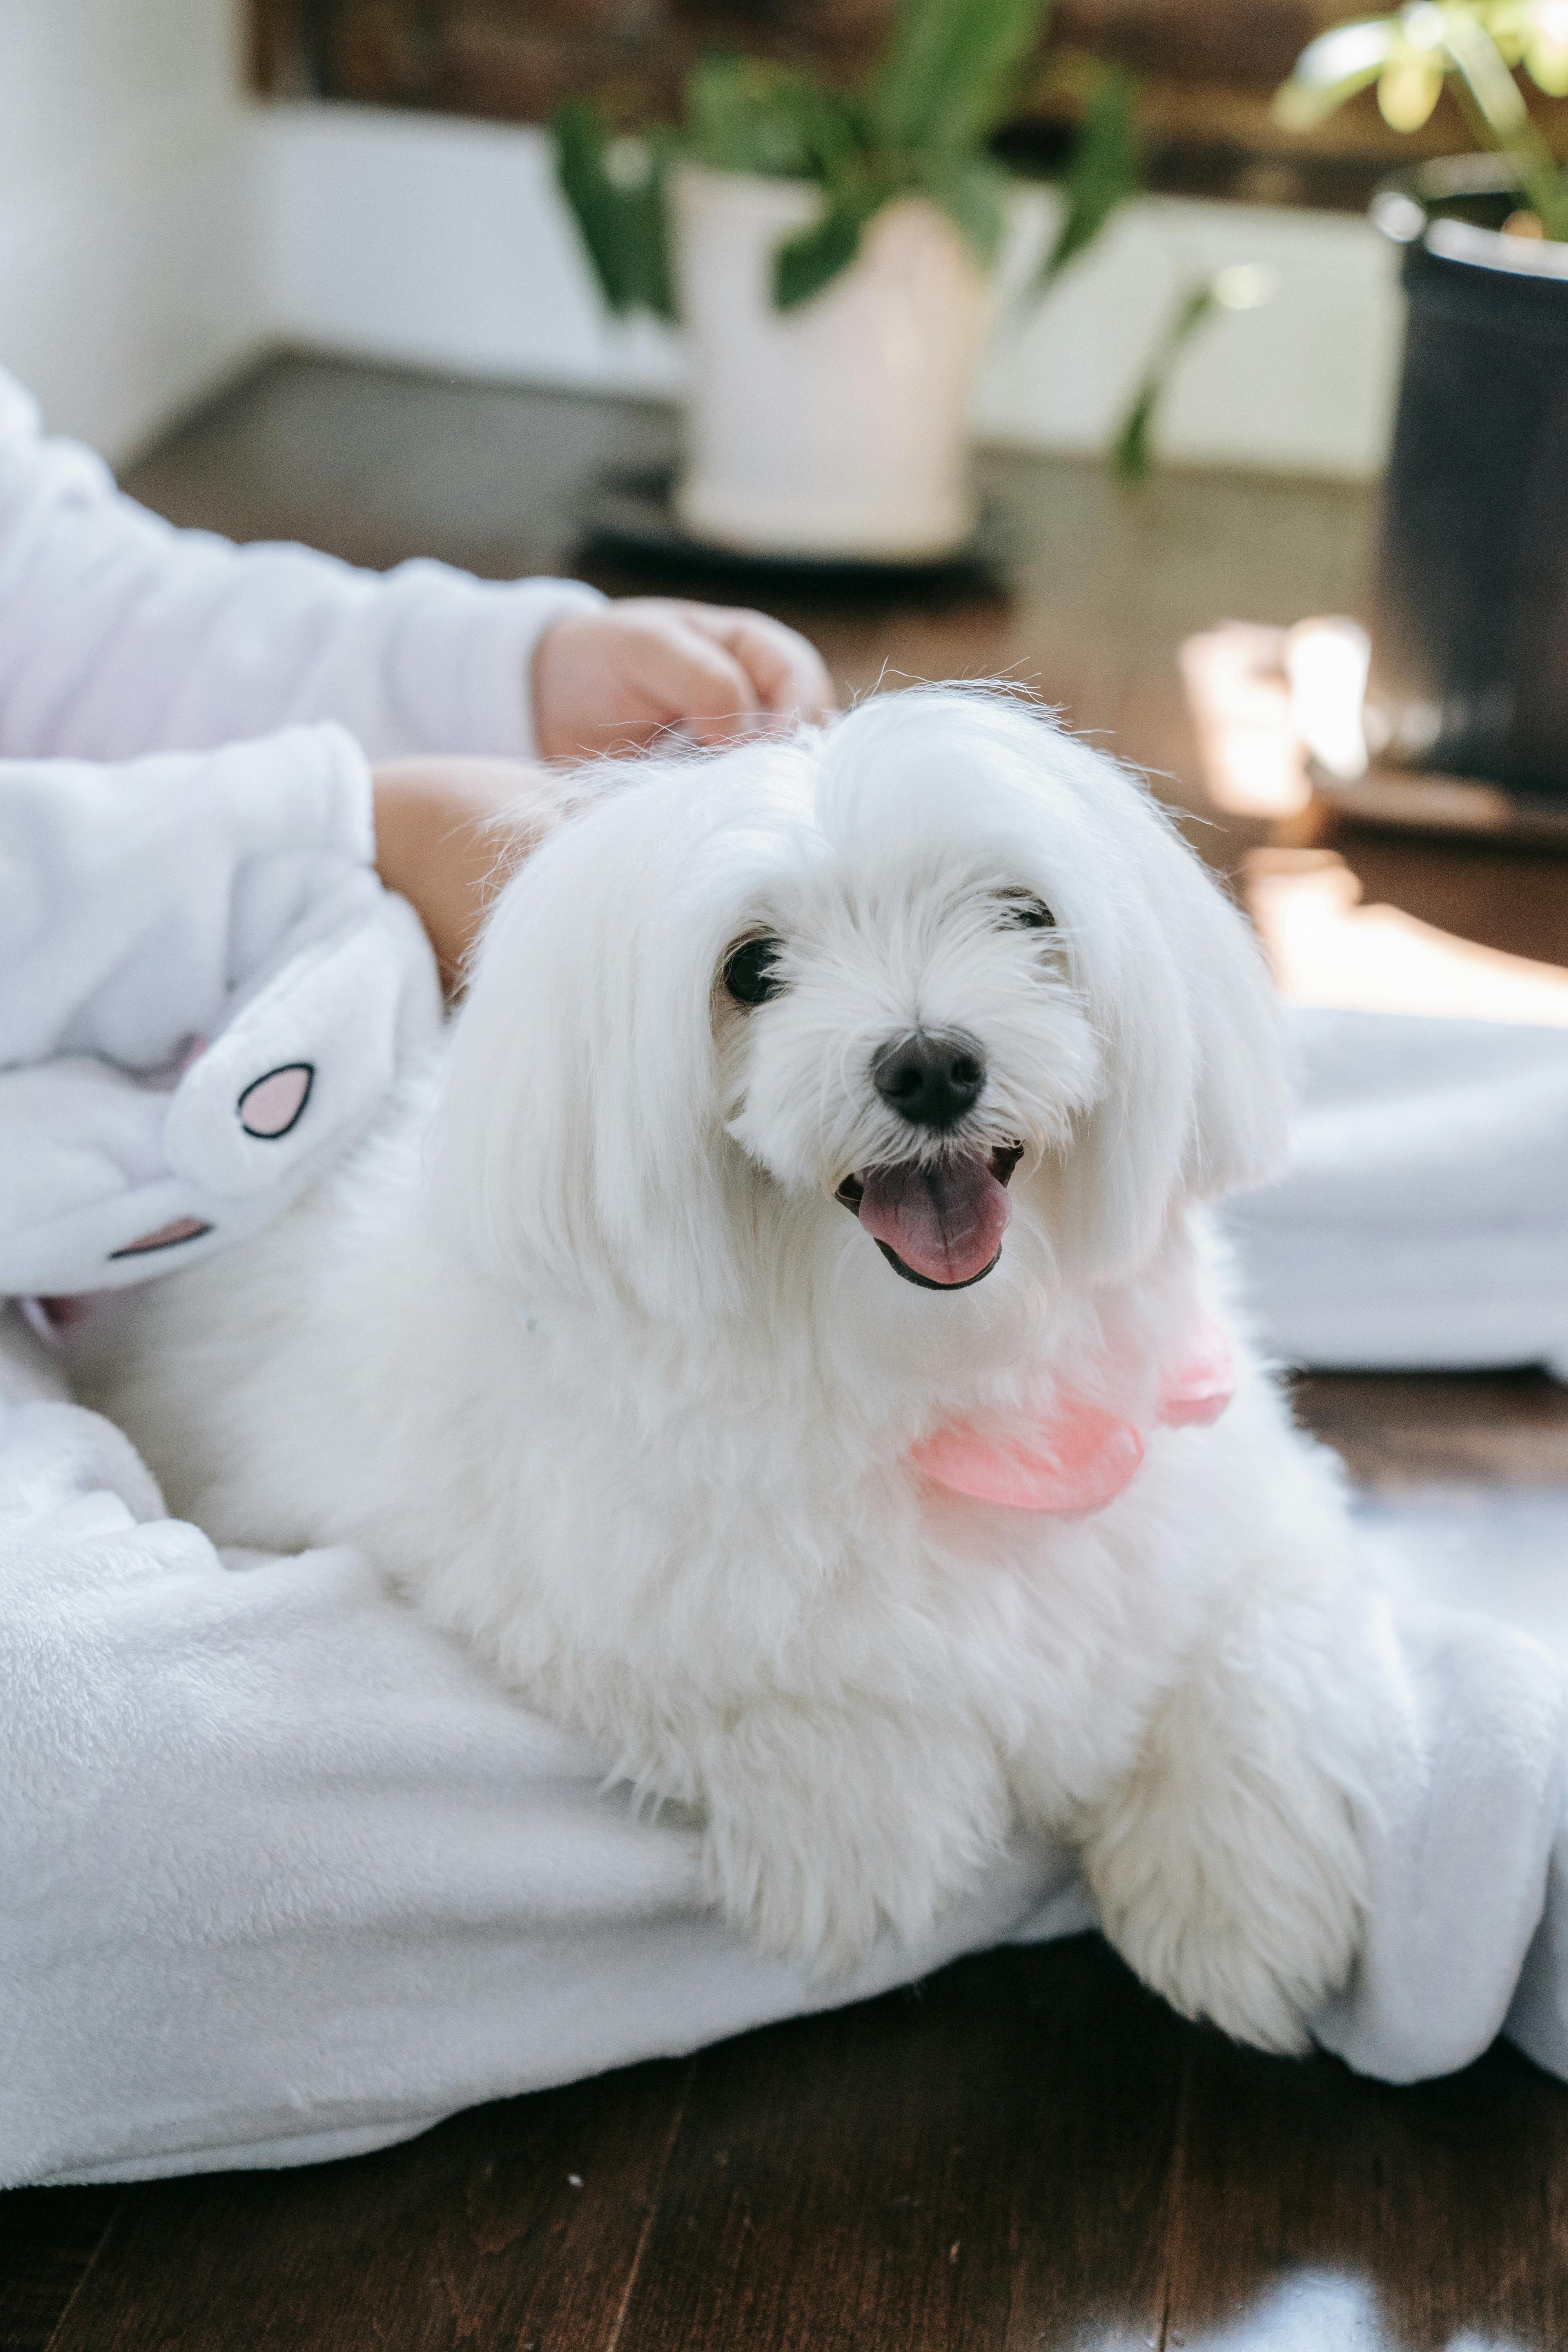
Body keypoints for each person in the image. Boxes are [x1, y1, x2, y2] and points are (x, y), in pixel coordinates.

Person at [2, 365, 1566, 2192]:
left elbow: (71, 596)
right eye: (760, 975)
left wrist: (505, 681)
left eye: (1015, 920)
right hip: (107, 1206)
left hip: (310, 967)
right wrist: (323, 826)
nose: (913, 1035)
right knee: (71, 1798)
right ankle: (1312, 1802)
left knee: (1152, 1120)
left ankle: (1080, 1766)